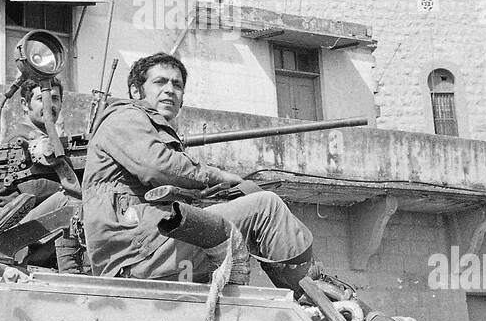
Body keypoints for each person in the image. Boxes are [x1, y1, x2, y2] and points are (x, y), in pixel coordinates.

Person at [82, 52, 321, 295]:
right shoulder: (124, 117)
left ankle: (311, 290)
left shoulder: (150, 128)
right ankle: (314, 300)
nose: (169, 90)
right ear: (135, 90)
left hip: (150, 242)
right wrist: (217, 176)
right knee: (265, 208)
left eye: (177, 85)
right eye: (159, 82)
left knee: (248, 202)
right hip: (138, 251)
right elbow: (157, 166)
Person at [0, 77, 85, 271]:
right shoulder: (19, 139)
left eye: (55, 99)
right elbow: (33, 188)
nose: (50, 105)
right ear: (24, 104)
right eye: (42, 98)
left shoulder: (48, 139)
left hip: (31, 232)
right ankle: (71, 273)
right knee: (70, 200)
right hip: (8, 231)